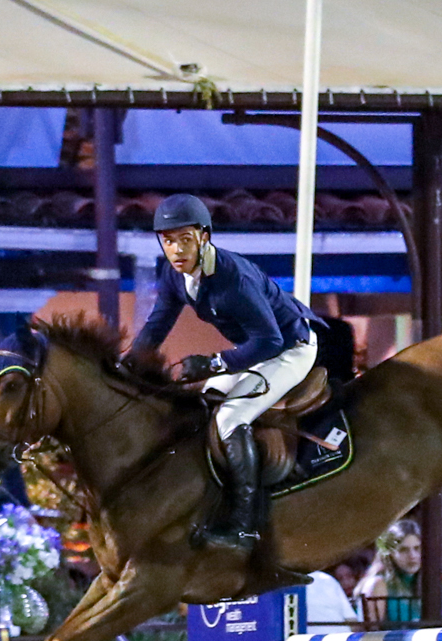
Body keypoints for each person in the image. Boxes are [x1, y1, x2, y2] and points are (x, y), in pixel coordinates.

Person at [124, 193, 328, 553]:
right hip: (257, 349)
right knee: (203, 406)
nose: (176, 251)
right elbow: (157, 324)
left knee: (230, 418)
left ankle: (243, 527)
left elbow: (270, 339)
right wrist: (127, 363)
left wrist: (214, 362)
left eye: (185, 240)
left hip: (290, 348)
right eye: (168, 241)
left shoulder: (235, 279)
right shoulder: (174, 276)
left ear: (204, 236)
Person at [353, 518, 421, 618]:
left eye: (417, 548)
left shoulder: (430, 582)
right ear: (390, 553)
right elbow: (370, 632)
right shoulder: (378, 585)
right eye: (403, 550)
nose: (412, 555)